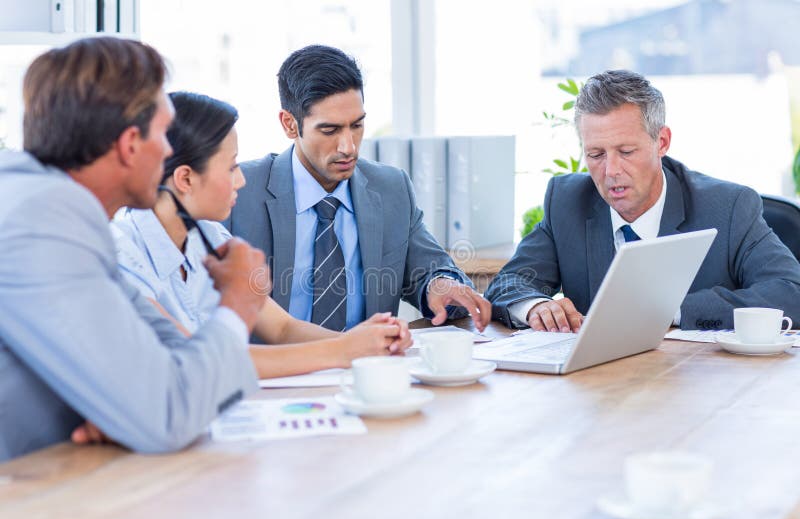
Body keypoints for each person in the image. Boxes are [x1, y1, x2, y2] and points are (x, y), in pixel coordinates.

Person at [0, 37, 268, 462]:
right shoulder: (42, 222)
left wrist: (127, 405)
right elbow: (168, 412)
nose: (167, 151)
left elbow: (170, 362)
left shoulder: (67, 217)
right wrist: (237, 305)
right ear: (129, 144)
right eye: (163, 133)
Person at [112, 91, 412, 379]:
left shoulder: (209, 236)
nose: (241, 180)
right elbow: (195, 360)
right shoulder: (122, 258)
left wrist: (369, 341)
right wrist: (343, 350)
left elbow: (281, 329)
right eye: (231, 167)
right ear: (185, 178)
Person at [485, 69, 800, 332]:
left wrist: (671, 312)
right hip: (599, 386)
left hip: (698, 385)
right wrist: (536, 306)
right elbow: (509, 282)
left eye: (626, 152)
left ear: (661, 142)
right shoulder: (568, 201)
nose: (610, 171)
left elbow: (791, 292)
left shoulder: (728, 207)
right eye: (595, 154)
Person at [225, 45, 492, 332]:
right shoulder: (239, 193)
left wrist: (439, 284)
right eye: (330, 130)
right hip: (277, 372)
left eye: (357, 125)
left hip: (367, 369)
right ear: (290, 125)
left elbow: (432, 268)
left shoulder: (391, 189)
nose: (348, 147)